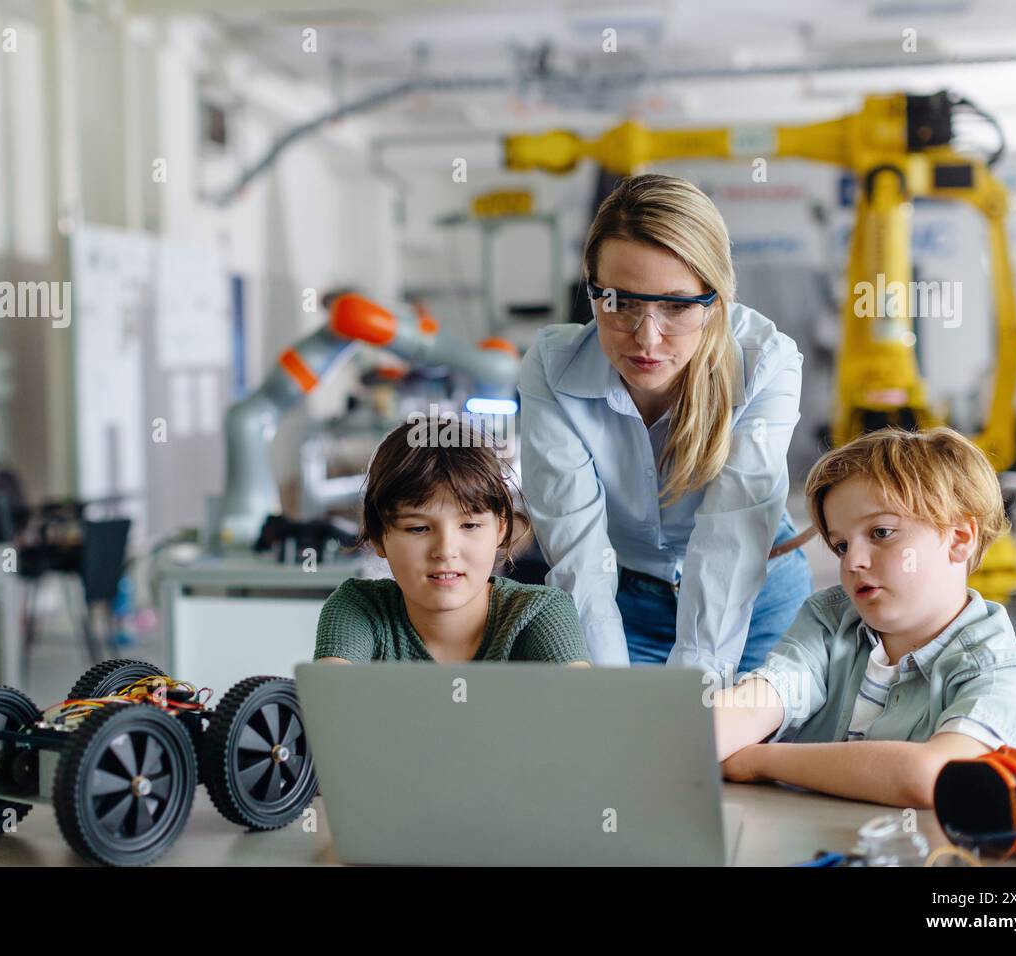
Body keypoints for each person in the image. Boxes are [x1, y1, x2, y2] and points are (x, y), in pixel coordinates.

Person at [519, 173, 811, 674]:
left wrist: (687, 704)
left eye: (676, 306)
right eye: (620, 302)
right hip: (623, 601)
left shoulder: (764, 363)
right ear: (590, 289)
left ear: (715, 298)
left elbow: (729, 545)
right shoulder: (554, 368)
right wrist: (612, 696)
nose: (646, 338)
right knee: (615, 737)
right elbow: (579, 560)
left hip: (755, 595)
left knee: (736, 749)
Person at [711, 427, 1016, 807]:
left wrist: (760, 761)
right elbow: (753, 705)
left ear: (959, 539)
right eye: (841, 544)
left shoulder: (1008, 672)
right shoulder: (829, 622)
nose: (852, 561)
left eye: (881, 532)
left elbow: (931, 776)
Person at [315, 415, 591, 665]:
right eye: (419, 528)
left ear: (501, 529)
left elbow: (582, 713)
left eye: (470, 525)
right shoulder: (358, 607)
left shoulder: (539, 613)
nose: (445, 550)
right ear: (378, 537)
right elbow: (330, 707)